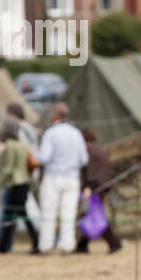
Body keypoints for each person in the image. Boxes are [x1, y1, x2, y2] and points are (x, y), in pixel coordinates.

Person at [34, 102, 88, 254]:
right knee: (68, 213)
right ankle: (67, 245)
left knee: (49, 213)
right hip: (72, 178)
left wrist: (34, 153)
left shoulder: (51, 133)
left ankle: (46, 245)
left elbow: (44, 157)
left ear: (54, 116)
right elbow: (84, 159)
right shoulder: (76, 133)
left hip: (53, 177)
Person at [0, 118, 39, 253]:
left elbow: (8, 169)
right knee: (18, 214)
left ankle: (4, 245)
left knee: (9, 215)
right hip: (24, 183)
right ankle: (30, 242)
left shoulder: (9, 146)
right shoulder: (23, 145)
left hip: (14, 184)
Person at [76, 127, 123, 254]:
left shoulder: (89, 150)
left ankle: (114, 242)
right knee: (89, 216)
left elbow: (91, 171)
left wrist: (87, 187)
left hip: (94, 188)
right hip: (102, 187)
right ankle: (82, 245)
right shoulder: (99, 149)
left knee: (95, 217)